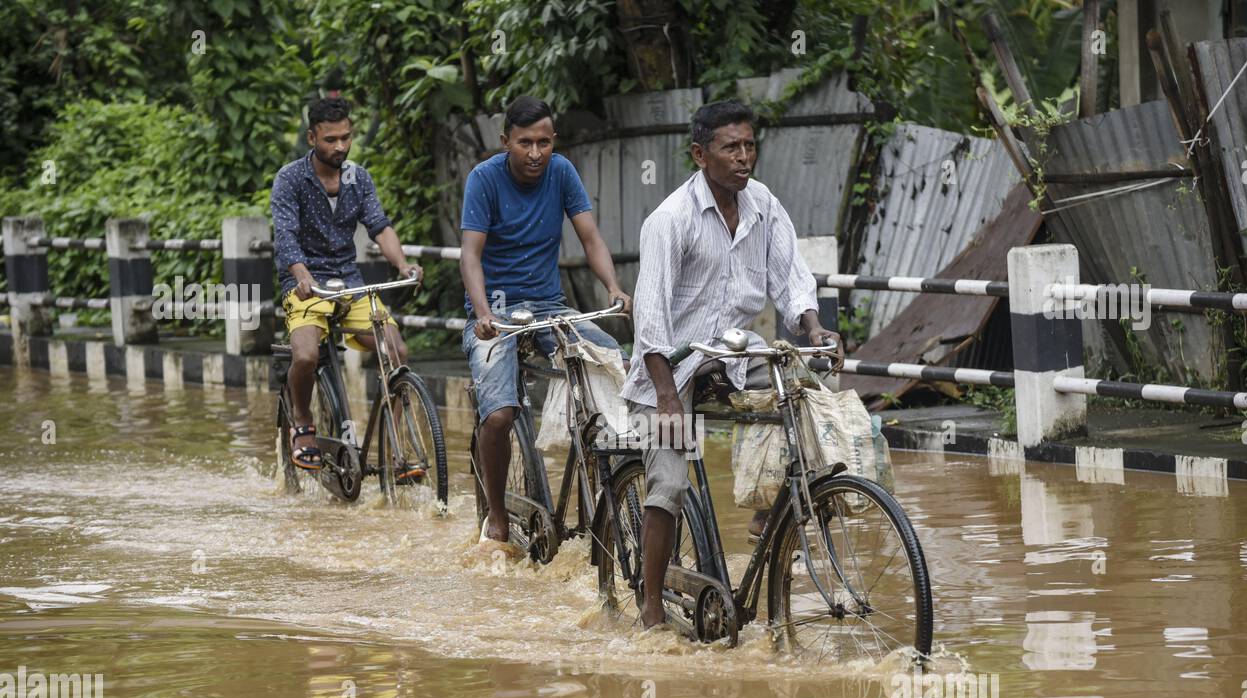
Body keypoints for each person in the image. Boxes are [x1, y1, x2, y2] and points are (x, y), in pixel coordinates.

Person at [623, 99, 844, 628]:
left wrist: (813, 328)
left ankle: (783, 503)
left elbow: (790, 277)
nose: (744, 157)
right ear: (701, 154)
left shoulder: (764, 204)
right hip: (670, 368)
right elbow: (650, 317)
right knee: (671, 484)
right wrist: (669, 399)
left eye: (749, 146)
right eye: (731, 148)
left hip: (735, 355)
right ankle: (650, 605)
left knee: (804, 392)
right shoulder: (669, 220)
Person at [460, 95, 632, 543]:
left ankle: (609, 486)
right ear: (506, 143)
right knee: (499, 417)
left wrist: (612, 289)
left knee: (611, 361)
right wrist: (481, 314)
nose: (535, 153)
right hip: (495, 313)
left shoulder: (562, 172)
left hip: (550, 307)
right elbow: (470, 256)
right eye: (524, 143)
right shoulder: (484, 179)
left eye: (543, 142)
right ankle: (496, 514)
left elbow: (590, 239)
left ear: (553, 141)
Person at [271, 96, 423, 470]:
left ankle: (394, 445)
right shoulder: (290, 179)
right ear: (311, 138)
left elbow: (379, 226)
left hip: (349, 284)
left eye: (346, 138)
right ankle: (302, 421)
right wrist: (301, 274)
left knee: (396, 351)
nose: (340, 146)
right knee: (305, 355)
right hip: (305, 284)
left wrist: (403, 265)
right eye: (330, 139)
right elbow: (286, 235)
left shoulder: (359, 178)